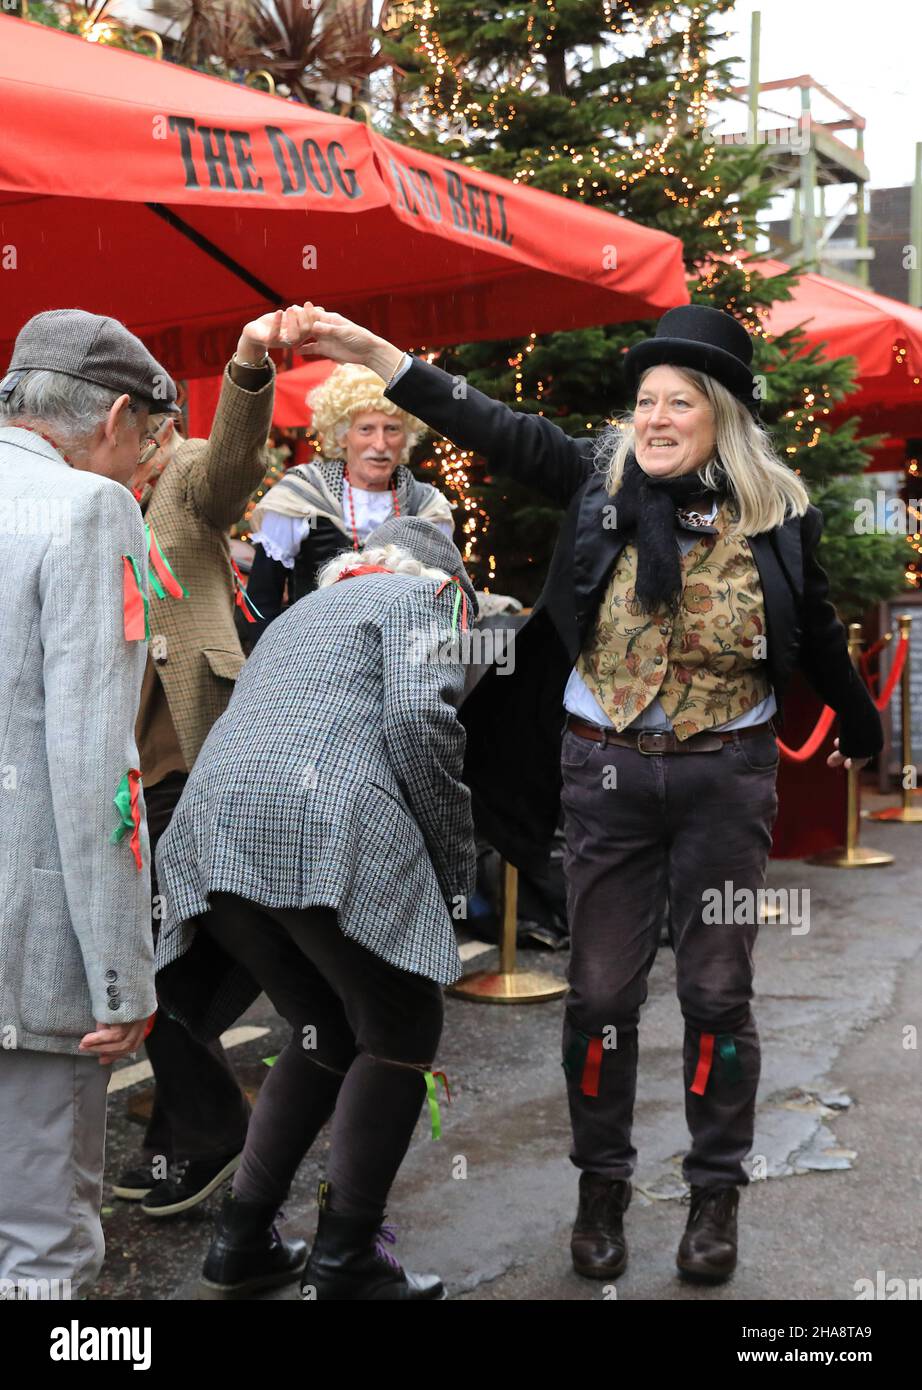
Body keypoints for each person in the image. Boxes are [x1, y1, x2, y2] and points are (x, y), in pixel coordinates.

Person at [289, 300, 883, 1285]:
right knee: (602, 993)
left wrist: (860, 728)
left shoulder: (777, 510)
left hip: (724, 779)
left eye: (676, 402)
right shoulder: (595, 479)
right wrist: (374, 354)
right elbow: (490, 421)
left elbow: (813, 623)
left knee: (715, 993)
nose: (652, 417)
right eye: (643, 399)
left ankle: (712, 1195)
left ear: (722, 414)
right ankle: (600, 1187)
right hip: (601, 773)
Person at [153, 515, 476, 1300]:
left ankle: (241, 1239)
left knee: (325, 1026)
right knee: (402, 1030)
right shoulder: (422, 597)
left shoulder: (301, 613)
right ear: (447, 583)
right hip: (319, 819)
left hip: (208, 826)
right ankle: (345, 1258)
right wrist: (453, 860)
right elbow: (419, 719)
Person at [114, 304, 321, 1221]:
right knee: (162, 952)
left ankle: (216, 1128)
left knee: (189, 943)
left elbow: (237, 465)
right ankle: (190, 1133)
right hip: (121, 763)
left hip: (199, 748)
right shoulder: (76, 493)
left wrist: (244, 365)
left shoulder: (185, 475)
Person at [0, 309, 178, 1295]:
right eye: (150, 437)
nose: (147, 463)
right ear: (116, 414)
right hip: (25, 947)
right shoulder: (85, 509)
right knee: (39, 1238)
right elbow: (91, 762)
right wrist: (122, 975)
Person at [243, 361, 453, 644]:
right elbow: (261, 600)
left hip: (401, 657)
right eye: (366, 429)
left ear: (406, 437)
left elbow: (443, 602)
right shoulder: (301, 494)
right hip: (314, 652)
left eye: (392, 429)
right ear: (342, 435)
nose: (380, 444)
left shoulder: (427, 507)